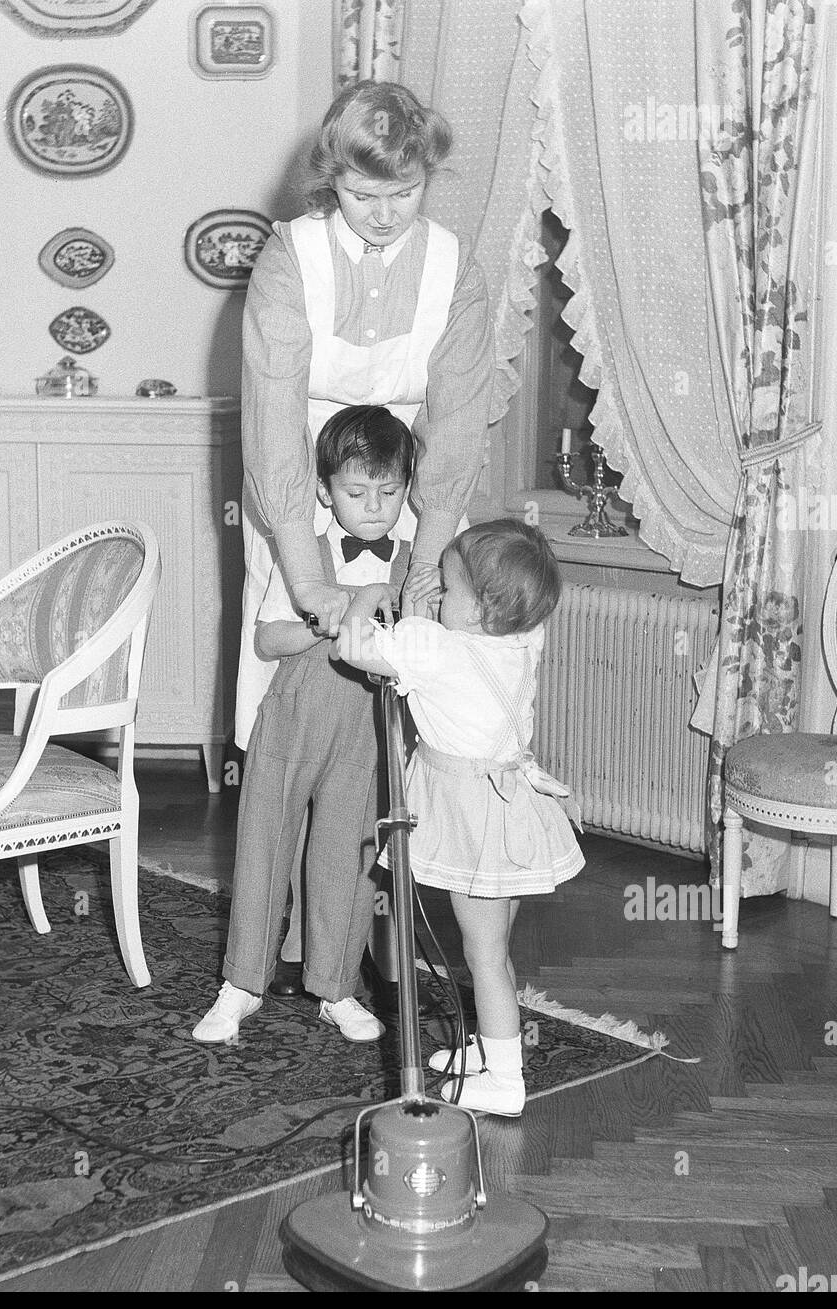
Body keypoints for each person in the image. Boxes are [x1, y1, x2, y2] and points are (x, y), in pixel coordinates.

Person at [236, 78, 493, 752]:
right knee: (297, 698)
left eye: (403, 194)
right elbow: (272, 425)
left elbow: (458, 426)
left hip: (415, 490)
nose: (384, 215)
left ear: (426, 175)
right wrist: (310, 582)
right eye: (362, 196)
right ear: (332, 180)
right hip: (301, 492)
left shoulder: (454, 268)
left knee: (419, 707)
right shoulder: (290, 258)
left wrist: (425, 572)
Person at [333, 520, 585, 1116]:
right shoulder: (523, 641)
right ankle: (492, 1051)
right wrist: (434, 610)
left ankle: (505, 1081)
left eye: (448, 590)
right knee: (491, 949)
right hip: (509, 810)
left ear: (483, 609)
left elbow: (352, 647)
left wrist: (372, 599)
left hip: (474, 817)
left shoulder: (436, 647)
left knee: (485, 955)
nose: (438, 597)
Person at [193, 406, 417, 1043]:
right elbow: (265, 638)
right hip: (293, 714)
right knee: (266, 838)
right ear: (324, 491)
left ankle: (336, 987)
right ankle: (241, 983)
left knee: (346, 854)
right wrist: (323, 619)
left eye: (389, 491)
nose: (373, 506)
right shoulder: (302, 555)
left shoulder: (413, 565)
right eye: (354, 492)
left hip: (368, 725)